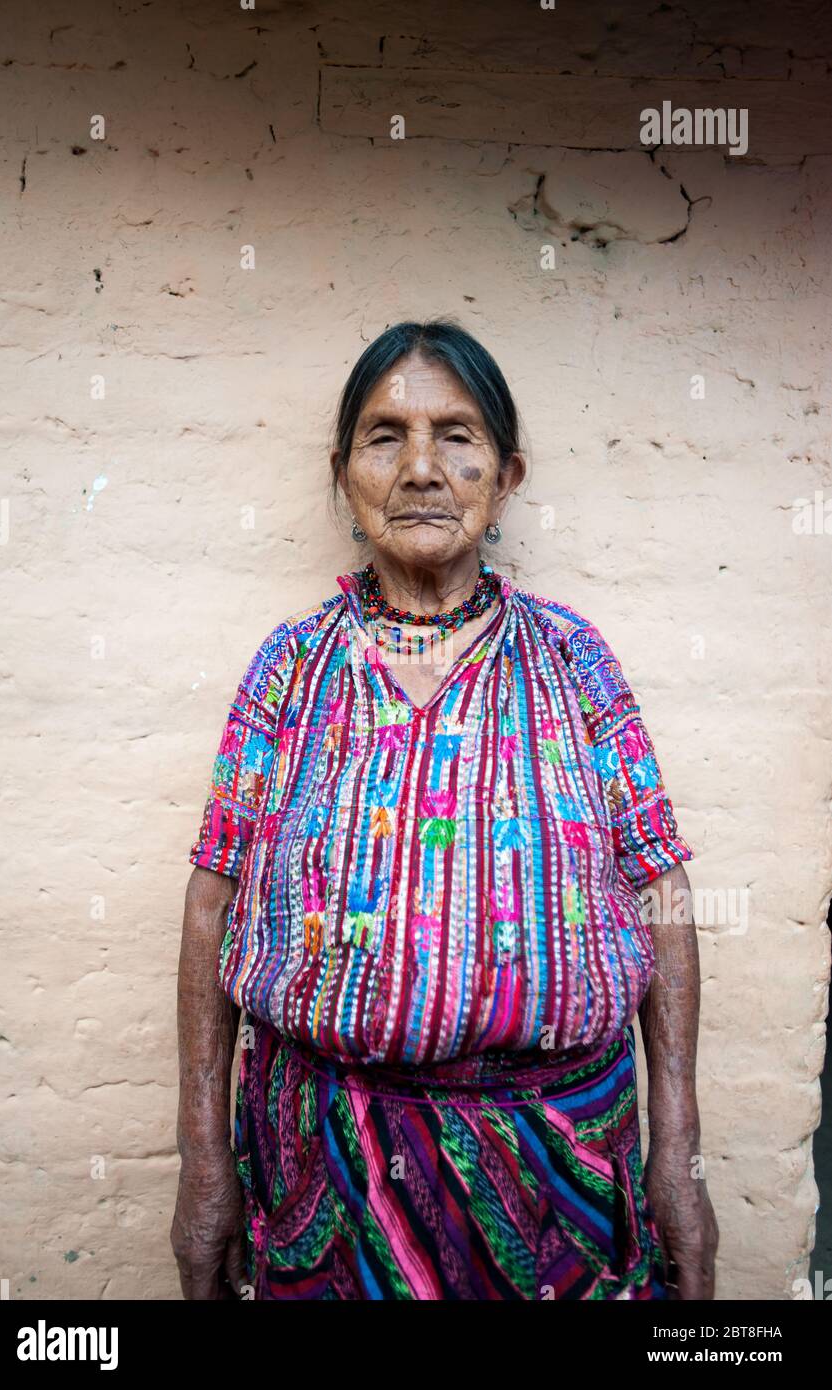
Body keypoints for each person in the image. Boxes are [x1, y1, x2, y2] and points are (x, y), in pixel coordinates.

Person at [171, 319, 718, 1300]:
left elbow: (657, 883)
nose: (421, 467)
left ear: (505, 475)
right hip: (324, 1176)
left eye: (456, 435)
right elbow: (214, 895)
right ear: (344, 473)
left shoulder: (571, 659)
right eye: (386, 436)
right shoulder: (291, 666)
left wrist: (677, 1151)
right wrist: (201, 1154)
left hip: (557, 1183)